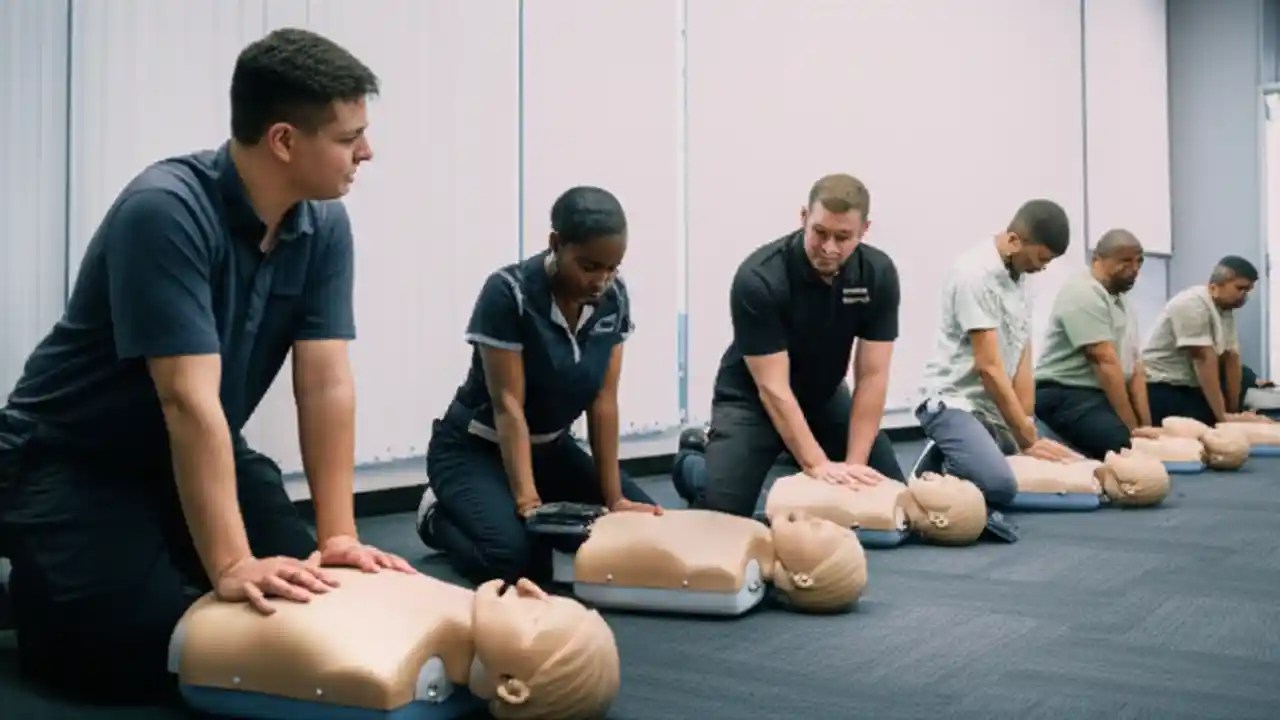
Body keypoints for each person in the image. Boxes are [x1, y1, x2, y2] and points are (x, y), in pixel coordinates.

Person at [0, 28, 414, 703]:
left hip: (189, 449)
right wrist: (228, 562)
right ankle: (38, 580)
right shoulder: (164, 211)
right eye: (348, 137)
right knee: (134, 646)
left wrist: (338, 535)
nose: (366, 152)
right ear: (284, 140)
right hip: (69, 457)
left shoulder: (323, 226)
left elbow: (325, 383)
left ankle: (143, 553)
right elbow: (185, 402)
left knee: (314, 586)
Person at [417, 186, 661, 585]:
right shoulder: (508, 292)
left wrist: (614, 498)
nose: (600, 281)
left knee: (638, 533)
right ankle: (436, 516)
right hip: (474, 449)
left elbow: (603, 401)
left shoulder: (614, 297)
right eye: (588, 266)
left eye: (611, 268)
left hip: (551, 450)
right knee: (515, 560)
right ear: (555, 244)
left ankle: (525, 510)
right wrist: (528, 503)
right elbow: (508, 405)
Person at [672, 174, 906, 518]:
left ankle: (790, 453)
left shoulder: (877, 273)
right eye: (820, 233)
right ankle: (692, 461)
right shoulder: (760, 278)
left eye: (843, 237)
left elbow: (872, 376)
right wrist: (817, 464)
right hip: (753, 400)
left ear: (864, 229)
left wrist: (853, 467)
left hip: (823, 396)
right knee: (724, 514)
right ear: (803, 218)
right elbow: (773, 388)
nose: (829, 248)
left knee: (887, 491)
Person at [914, 199, 1080, 510]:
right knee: (1000, 486)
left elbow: (1022, 350)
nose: (1043, 267)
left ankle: (982, 446)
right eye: (1042, 258)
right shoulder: (973, 274)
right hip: (952, 403)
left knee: (1067, 462)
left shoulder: (1025, 275)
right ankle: (937, 459)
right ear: (1015, 241)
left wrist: (1026, 422)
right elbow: (988, 367)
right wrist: (1027, 439)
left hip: (994, 409)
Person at [1034, 229, 1162, 459]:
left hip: (1097, 392)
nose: (1134, 269)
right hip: (1064, 393)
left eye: (1138, 262)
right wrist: (1131, 431)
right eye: (1125, 261)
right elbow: (1104, 362)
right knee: (1122, 444)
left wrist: (1144, 426)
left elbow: (1135, 370)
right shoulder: (1082, 292)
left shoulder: (1122, 301)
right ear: (1097, 261)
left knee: (1146, 440)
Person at [1142, 255, 1260, 426]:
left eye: (1247, 290)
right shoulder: (1191, 304)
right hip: (1163, 385)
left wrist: (1234, 410)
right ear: (1214, 287)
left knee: (1246, 375)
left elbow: (1231, 357)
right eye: (1240, 288)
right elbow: (1204, 359)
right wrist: (1223, 419)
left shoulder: (1225, 309)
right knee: (1208, 421)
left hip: (1190, 381)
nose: (1244, 295)